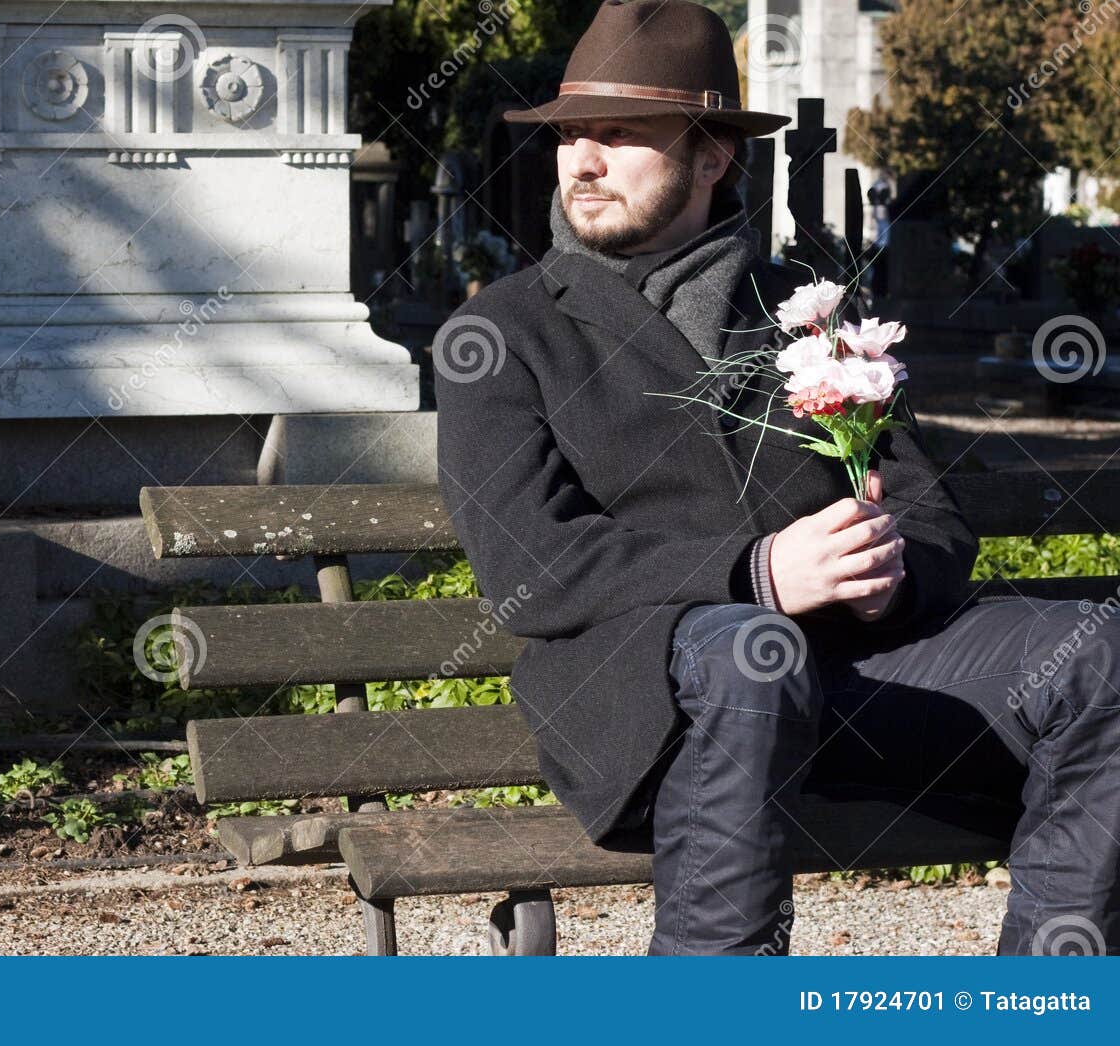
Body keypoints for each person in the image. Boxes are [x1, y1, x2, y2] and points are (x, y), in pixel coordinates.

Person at [433, 0, 1119, 956]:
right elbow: (528, 564)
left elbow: (930, 513)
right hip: (653, 700)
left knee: (1100, 650)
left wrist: (890, 572)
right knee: (753, 652)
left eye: (620, 136)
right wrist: (756, 574)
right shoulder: (504, 333)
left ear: (713, 157)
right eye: (570, 135)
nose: (581, 162)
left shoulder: (806, 314)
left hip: (856, 678)